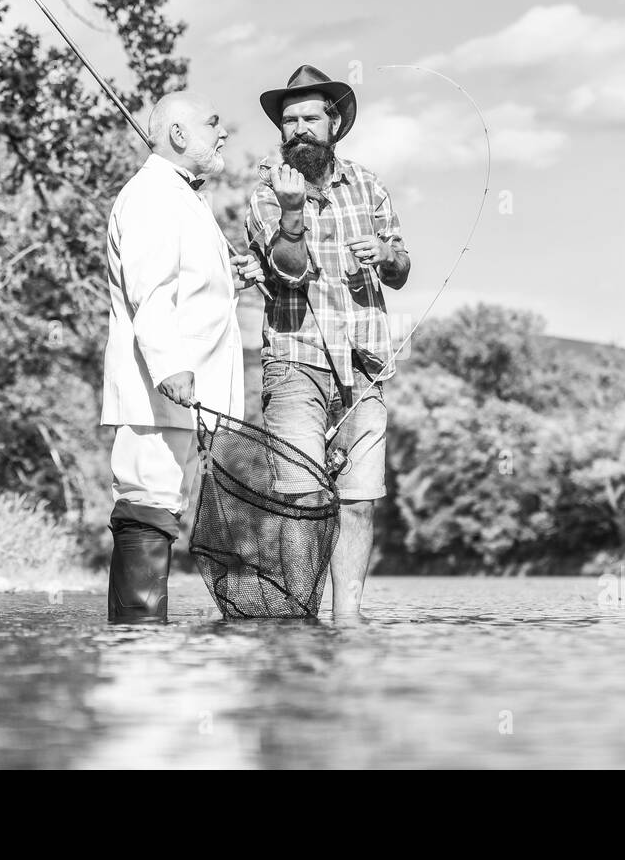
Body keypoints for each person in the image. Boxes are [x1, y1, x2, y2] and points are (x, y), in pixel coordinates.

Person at [245, 64, 411, 619]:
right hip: (295, 363)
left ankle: (348, 622)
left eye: (310, 118)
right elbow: (287, 271)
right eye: (289, 121)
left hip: (364, 367)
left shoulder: (369, 185)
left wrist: (386, 256)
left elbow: (403, 267)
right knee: (303, 501)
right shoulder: (267, 192)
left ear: (334, 122)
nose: (298, 129)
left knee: (360, 503)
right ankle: (299, 617)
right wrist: (293, 214)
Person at [100, 90, 263, 622]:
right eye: (213, 124)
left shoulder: (182, 196)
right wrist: (171, 367)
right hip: (160, 390)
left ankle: (146, 637)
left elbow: (189, 289)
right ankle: (137, 639)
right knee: (148, 497)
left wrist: (229, 278)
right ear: (177, 135)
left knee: (163, 500)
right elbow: (150, 290)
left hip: (182, 394)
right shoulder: (152, 195)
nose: (222, 134)